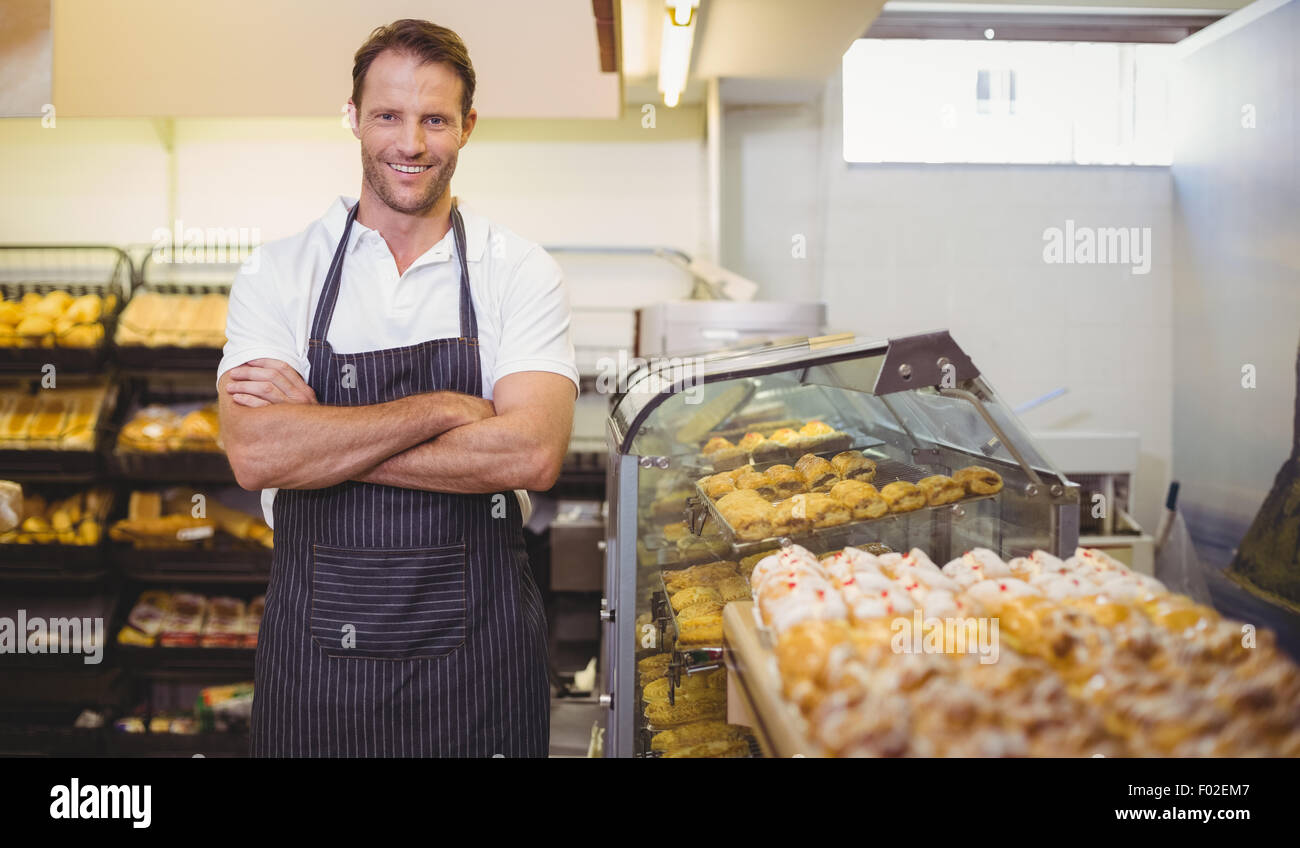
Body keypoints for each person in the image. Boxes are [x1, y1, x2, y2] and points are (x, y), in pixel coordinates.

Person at [216, 19, 578, 757]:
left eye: (434, 119)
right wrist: (446, 410)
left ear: (467, 127)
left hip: (480, 672)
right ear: (353, 118)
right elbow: (257, 454)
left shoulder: (519, 270)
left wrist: (323, 436)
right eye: (388, 115)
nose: (410, 144)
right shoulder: (278, 272)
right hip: (315, 677)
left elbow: (531, 455)